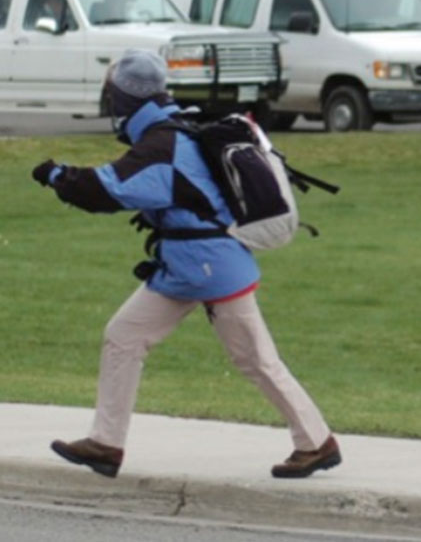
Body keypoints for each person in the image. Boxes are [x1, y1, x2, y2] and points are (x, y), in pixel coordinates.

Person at [31, 49, 340, 479]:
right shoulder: (174, 128)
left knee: (255, 359)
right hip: (187, 266)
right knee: (123, 336)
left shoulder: (163, 144)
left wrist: (56, 175)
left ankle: (316, 443)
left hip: (209, 266)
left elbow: (108, 190)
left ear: (124, 100)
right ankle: (105, 443)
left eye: (111, 95)